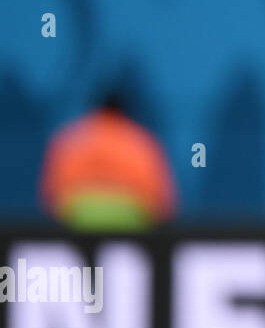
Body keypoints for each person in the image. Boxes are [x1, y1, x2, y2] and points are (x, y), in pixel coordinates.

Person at [38, 93, 176, 231]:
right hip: (129, 217)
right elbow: (163, 202)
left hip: (79, 214)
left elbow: (50, 194)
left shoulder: (71, 138)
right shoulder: (141, 140)